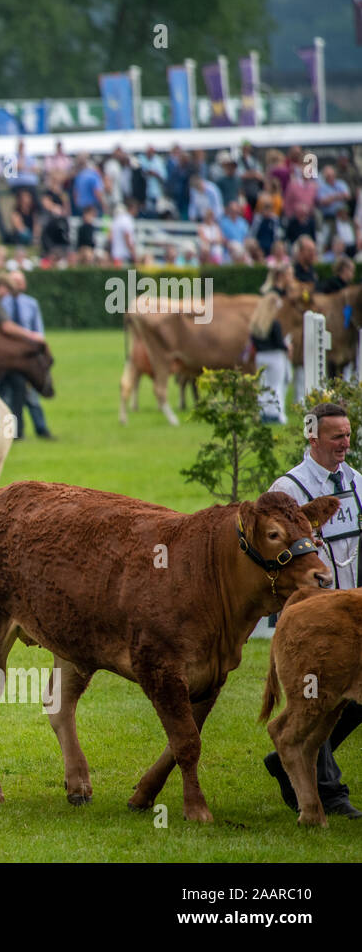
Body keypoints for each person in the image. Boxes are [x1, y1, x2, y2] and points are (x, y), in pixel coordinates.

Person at [264, 402, 361, 819]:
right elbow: (269, 549)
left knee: (344, 701)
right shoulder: (288, 489)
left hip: (351, 603)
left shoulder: (357, 482)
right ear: (313, 438)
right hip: (312, 612)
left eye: (348, 434)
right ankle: (327, 792)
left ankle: (287, 759)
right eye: (337, 435)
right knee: (318, 695)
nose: (345, 442)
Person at [4, 271, 54, 439]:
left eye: (20, 281)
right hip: (9, 356)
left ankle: (42, 429)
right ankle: (12, 433)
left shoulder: (31, 303)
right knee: (8, 396)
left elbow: (38, 330)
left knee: (32, 395)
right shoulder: (1, 303)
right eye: (14, 281)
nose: (18, 284)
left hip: (28, 356)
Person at [248, 284, 292, 424]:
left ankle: (263, 412)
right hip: (275, 356)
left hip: (261, 356)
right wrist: (287, 347)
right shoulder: (275, 324)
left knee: (263, 385)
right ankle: (276, 414)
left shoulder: (256, 323)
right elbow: (279, 343)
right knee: (276, 385)